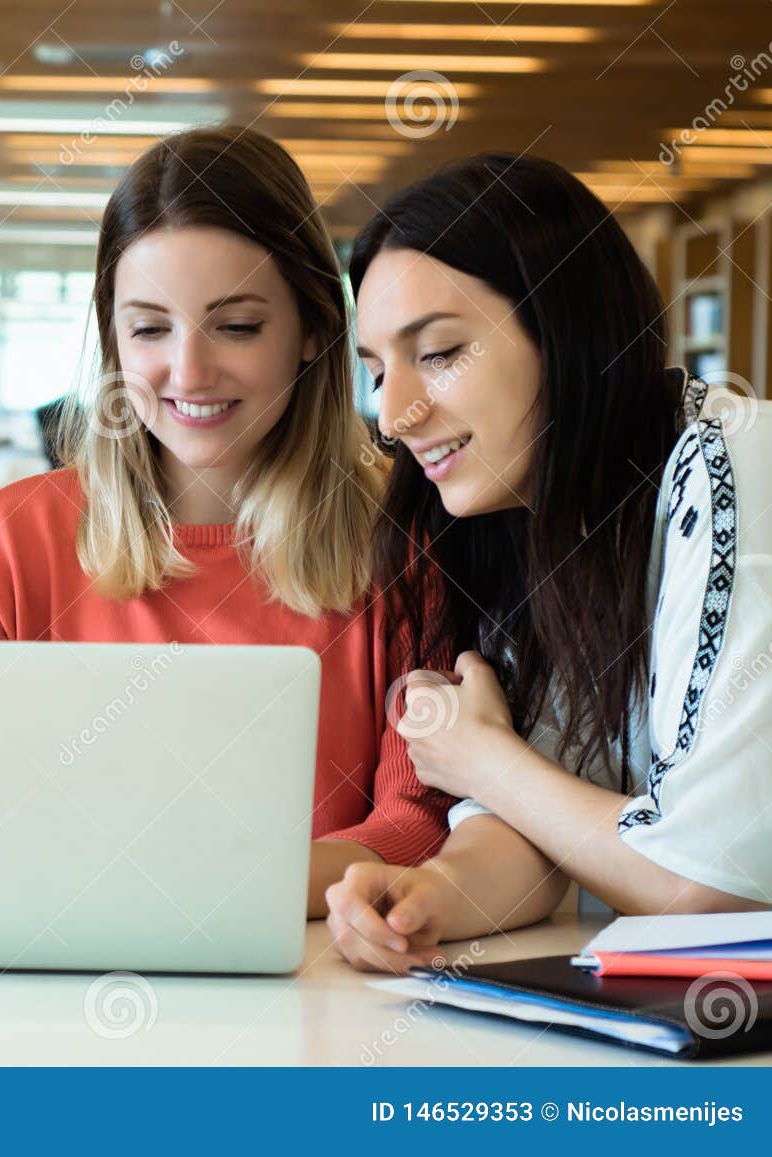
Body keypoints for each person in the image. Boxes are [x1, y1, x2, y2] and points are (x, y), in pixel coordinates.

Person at [0, 127, 453, 916]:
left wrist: (197, 888)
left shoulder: (402, 547)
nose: (190, 371)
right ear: (112, 338)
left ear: (310, 330)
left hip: (316, 997)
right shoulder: (6, 545)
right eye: (149, 327)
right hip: (56, 981)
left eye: (236, 326)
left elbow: (415, 825)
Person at [329, 154, 772, 973]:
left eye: (439, 352)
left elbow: (708, 892)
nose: (393, 416)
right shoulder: (535, 515)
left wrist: (485, 758)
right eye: (378, 371)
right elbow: (542, 821)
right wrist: (428, 898)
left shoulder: (733, 463)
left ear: (563, 329)